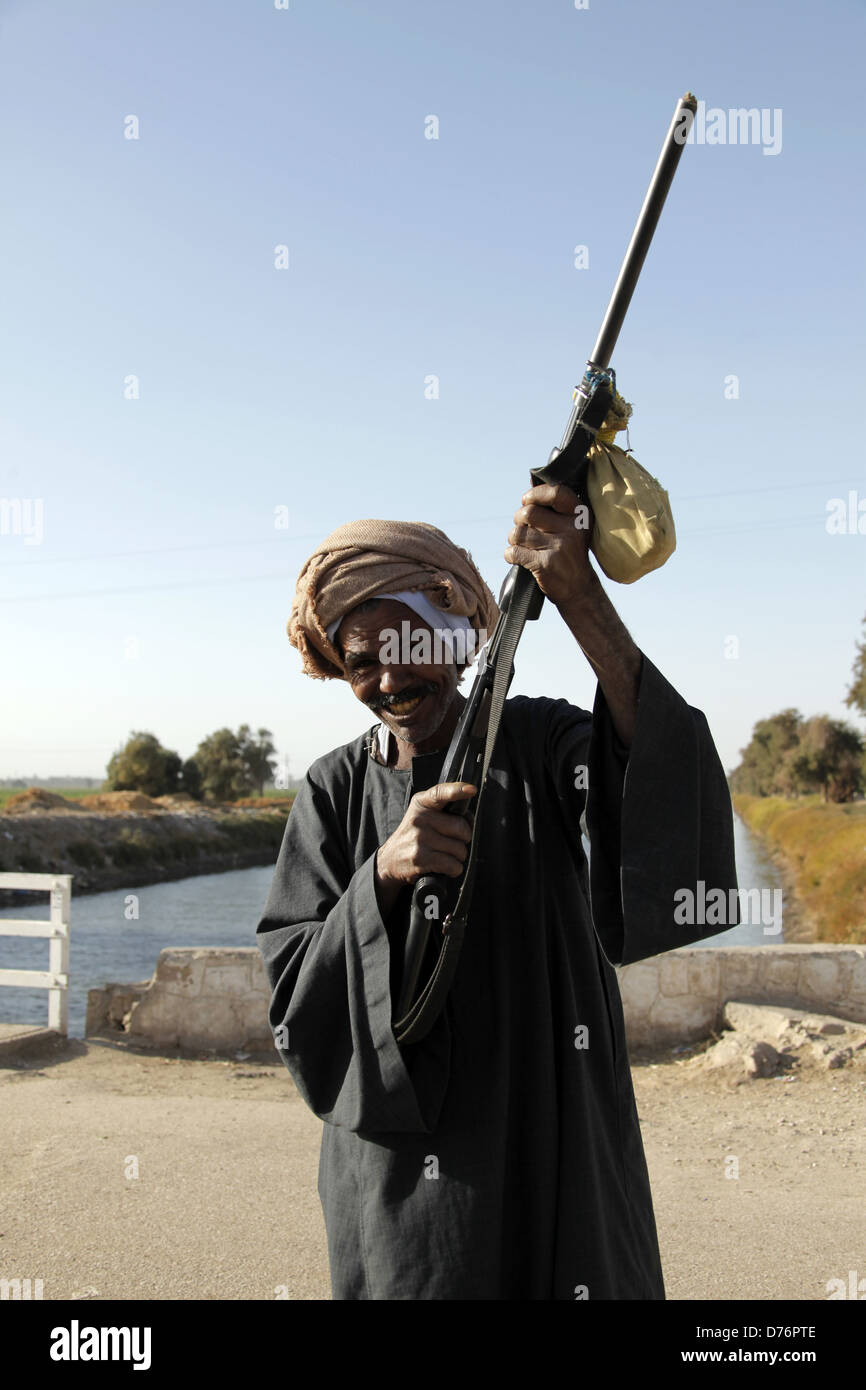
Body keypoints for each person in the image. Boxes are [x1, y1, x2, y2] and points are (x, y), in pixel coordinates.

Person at [256, 483, 739, 1300]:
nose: (387, 678)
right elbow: (295, 992)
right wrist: (383, 876)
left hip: (556, 1143)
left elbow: (659, 777)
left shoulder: (543, 743)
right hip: (401, 1184)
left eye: (406, 644)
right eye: (360, 661)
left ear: (457, 635)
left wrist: (580, 599)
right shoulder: (335, 789)